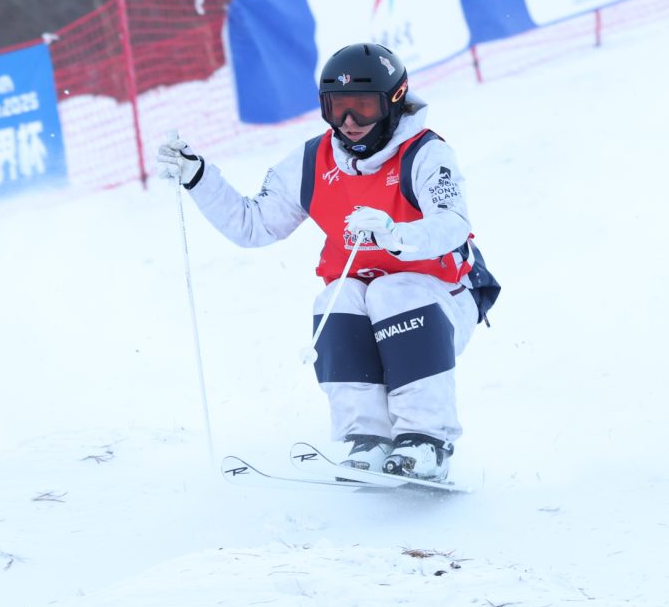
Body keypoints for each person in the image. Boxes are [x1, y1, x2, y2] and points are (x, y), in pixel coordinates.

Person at [156, 42, 497, 482]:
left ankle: (426, 439)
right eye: (337, 109)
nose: (350, 123)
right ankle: (369, 438)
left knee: (393, 290)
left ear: (393, 101)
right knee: (337, 298)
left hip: (447, 293)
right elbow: (254, 225)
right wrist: (198, 178)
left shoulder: (425, 153)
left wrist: (395, 236)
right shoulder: (313, 161)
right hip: (370, 299)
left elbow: (452, 223)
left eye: (363, 107)